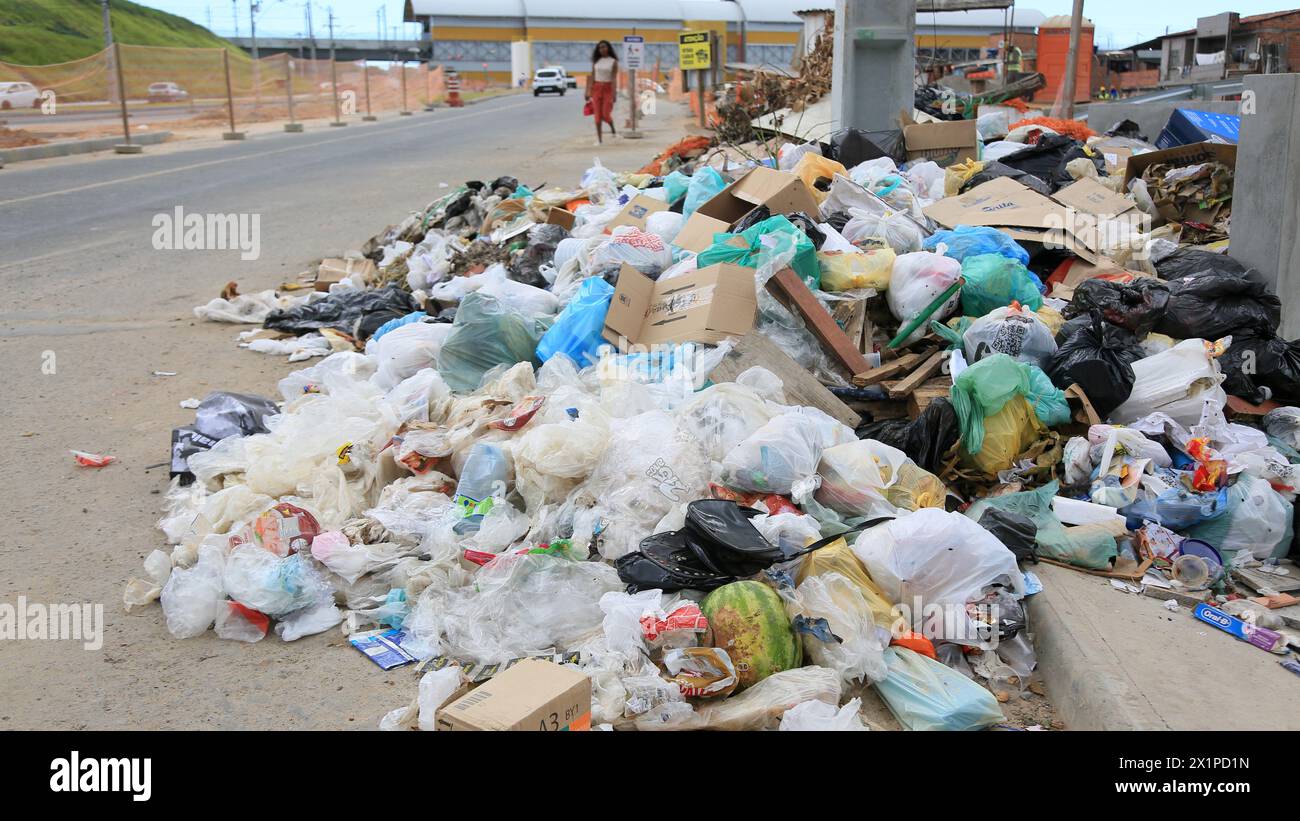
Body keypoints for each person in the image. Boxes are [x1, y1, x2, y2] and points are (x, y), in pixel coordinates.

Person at [585, 40, 619, 145]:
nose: (602, 49)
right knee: (597, 115)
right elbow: (592, 77)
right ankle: (599, 139)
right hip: (596, 88)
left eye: (604, 47)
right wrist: (588, 92)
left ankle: (612, 127)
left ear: (608, 48)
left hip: (608, 88)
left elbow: (613, 78)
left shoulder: (613, 62)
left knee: (605, 114)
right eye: (600, 48)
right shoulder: (596, 62)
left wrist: (614, 93)